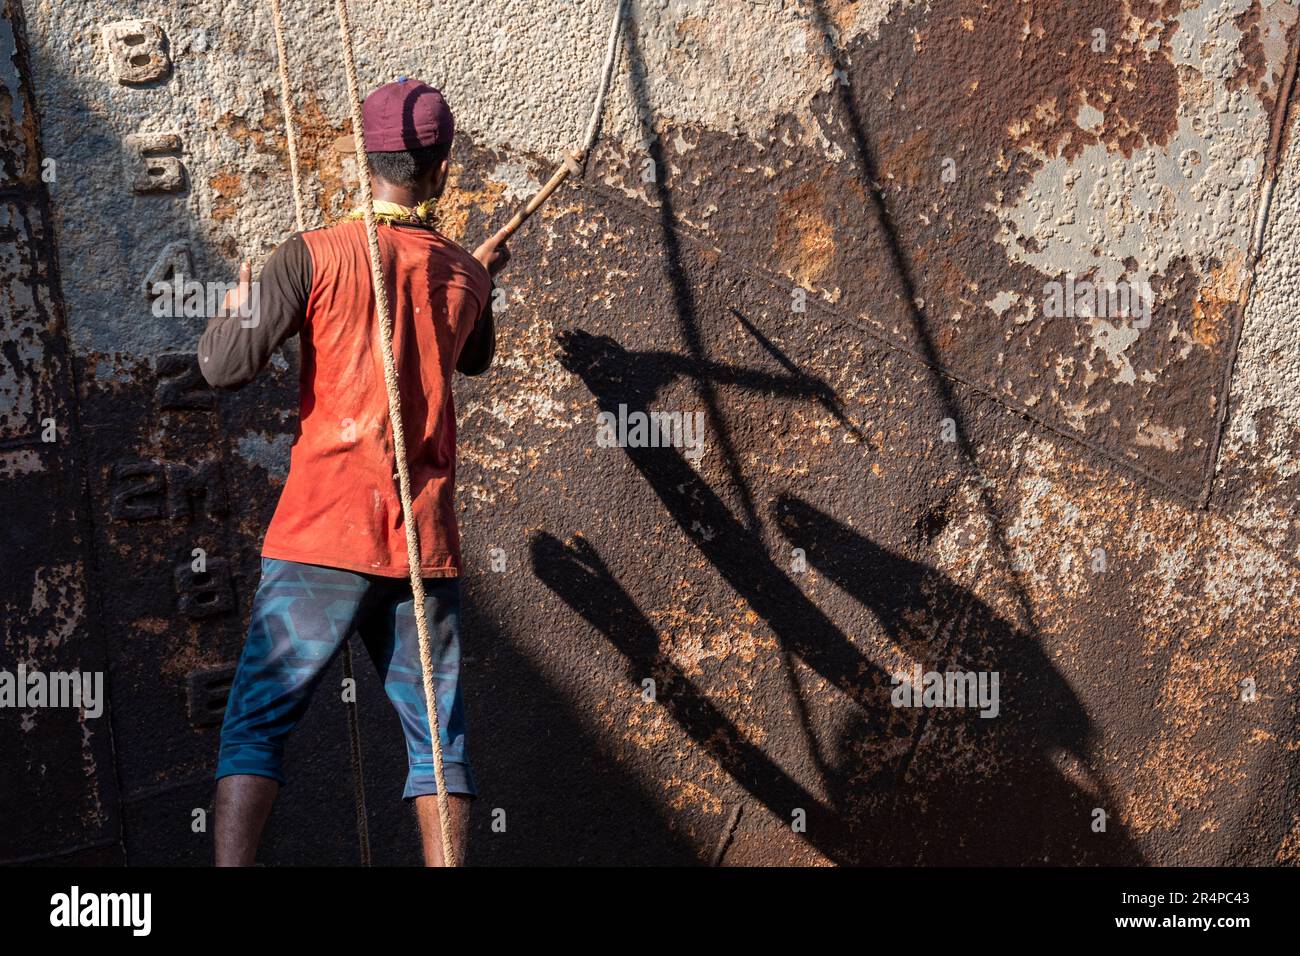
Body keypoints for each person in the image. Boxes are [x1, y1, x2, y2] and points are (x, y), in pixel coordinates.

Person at [198, 77, 509, 866]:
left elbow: (220, 365)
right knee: (439, 746)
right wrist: (478, 272)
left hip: (320, 537)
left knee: (256, 728)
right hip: (419, 547)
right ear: (440, 169)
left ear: (363, 159)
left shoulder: (313, 254)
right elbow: (475, 353)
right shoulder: (465, 277)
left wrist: (253, 284)